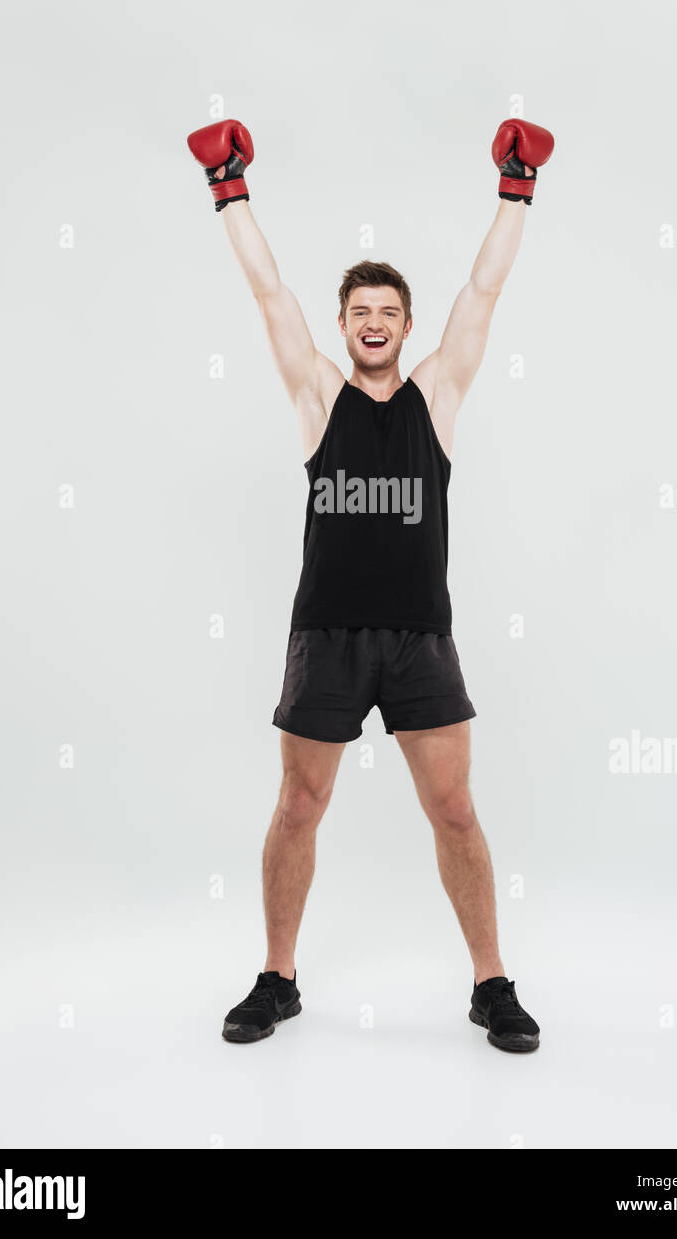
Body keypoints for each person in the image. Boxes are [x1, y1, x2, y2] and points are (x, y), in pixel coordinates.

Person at [187, 114, 554, 1051]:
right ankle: (278, 978)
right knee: (298, 806)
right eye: (360, 313)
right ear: (346, 326)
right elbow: (267, 293)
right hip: (327, 640)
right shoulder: (319, 400)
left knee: (456, 810)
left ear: (404, 325)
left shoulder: (436, 401)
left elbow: (484, 290)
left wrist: (515, 188)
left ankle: (492, 984)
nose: (375, 324)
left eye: (389, 311)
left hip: (421, 641)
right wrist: (229, 187)